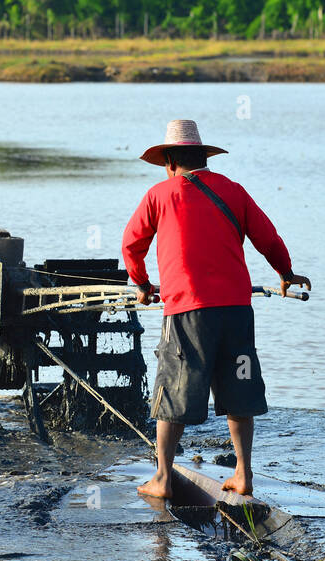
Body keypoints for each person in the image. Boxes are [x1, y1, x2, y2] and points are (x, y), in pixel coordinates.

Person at [121, 119, 310, 499]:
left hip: (187, 311)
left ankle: (162, 478)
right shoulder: (234, 192)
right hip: (237, 312)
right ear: (203, 157)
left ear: (170, 160)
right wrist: (285, 273)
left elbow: (131, 245)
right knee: (239, 390)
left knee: (173, 390)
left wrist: (141, 284)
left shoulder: (159, 195)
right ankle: (243, 475)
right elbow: (267, 237)